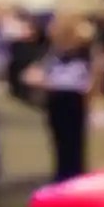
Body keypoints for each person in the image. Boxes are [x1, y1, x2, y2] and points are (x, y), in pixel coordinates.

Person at [23, 14, 93, 182]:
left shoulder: (81, 51)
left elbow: (78, 79)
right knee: (59, 140)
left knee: (73, 141)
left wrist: (47, 81)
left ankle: (73, 175)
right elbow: (39, 71)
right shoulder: (53, 51)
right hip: (56, 99)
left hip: (72, 99)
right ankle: (62, 173)